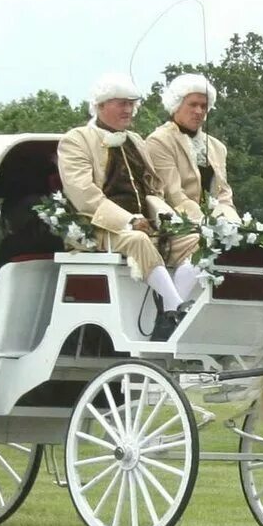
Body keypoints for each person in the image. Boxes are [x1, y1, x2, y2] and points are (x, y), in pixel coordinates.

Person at [57, 72, 201, 340]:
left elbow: (153, 189)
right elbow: (83, 194)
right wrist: (128, 220)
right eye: (121, 103)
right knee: (138, 239)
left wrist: (169, 218)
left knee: (199, 242)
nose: (128, 109)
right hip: (99, 226)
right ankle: (174, 309)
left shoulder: (135, 140)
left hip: (146, 226)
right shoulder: (76, 140)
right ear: (100, 106)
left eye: (131, 103)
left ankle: (169, 313)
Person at [145, 73, 240, 224]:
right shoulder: (159, 141)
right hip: (180, 224)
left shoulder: (217, 147)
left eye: (203, 106)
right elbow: (173, 194)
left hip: (218, 224)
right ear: (177, 105)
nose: (199, 111)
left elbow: (224, 195)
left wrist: (232, 223)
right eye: (193, 104)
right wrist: (204, 224)